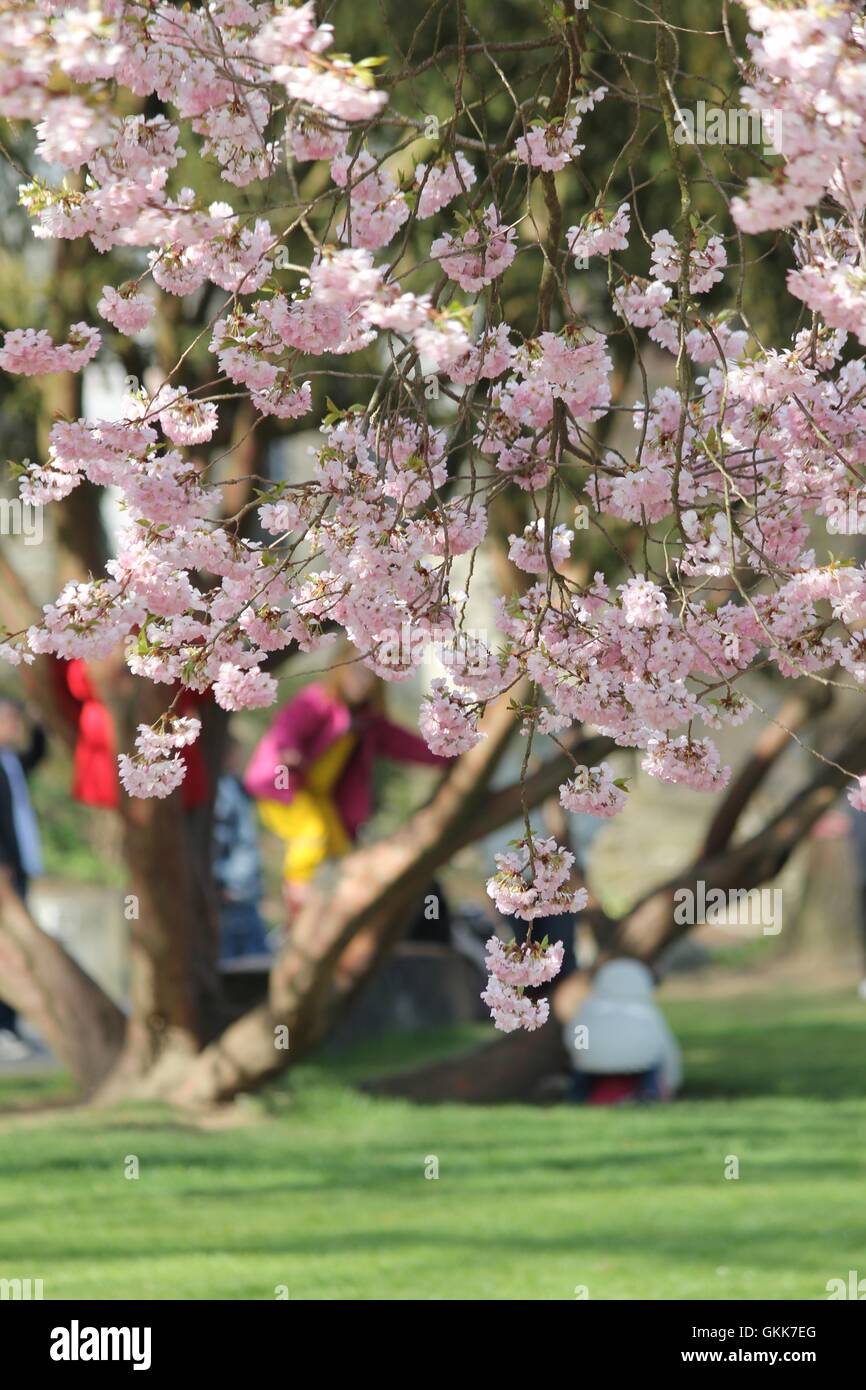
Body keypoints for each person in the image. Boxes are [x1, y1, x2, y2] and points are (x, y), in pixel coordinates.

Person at [245, 657, 450, 918]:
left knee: (340, 849)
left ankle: (324, 905)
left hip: (317, 796)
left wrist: (444, 753)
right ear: (341, 669)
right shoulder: (319, 700)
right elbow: (287, 728)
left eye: (369, 678)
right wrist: (288, 751)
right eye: (356, 673)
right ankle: (296, 894)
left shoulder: (368, 722)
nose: (361, 683)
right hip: (282, 788)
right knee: (313, 832)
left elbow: (403, 744)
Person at [563, 958, 682, 1104]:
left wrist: (582, 1056)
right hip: (640, 1066)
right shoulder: (647, 1011)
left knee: (581, 1078)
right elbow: (666, 1048)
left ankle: (577, 1098)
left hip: (590, 1067)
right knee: (649, 1068)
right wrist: (671, 1082)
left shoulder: (588, 1008)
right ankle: (650, 1095)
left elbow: (575, 1036)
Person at [0, 698, 46, 1061]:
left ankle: (11, 1027)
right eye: (10, 720)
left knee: (19, 949)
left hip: (21, 866)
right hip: (5, 871)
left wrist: (40, 724)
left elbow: (37, 756)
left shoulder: (12, 761)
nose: (14, 727)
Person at [212, 737, 270, 962]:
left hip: (242, 892)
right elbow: (227, 840)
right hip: (233, 891)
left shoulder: (236, 788)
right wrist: (222, 882)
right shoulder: (224, 791)